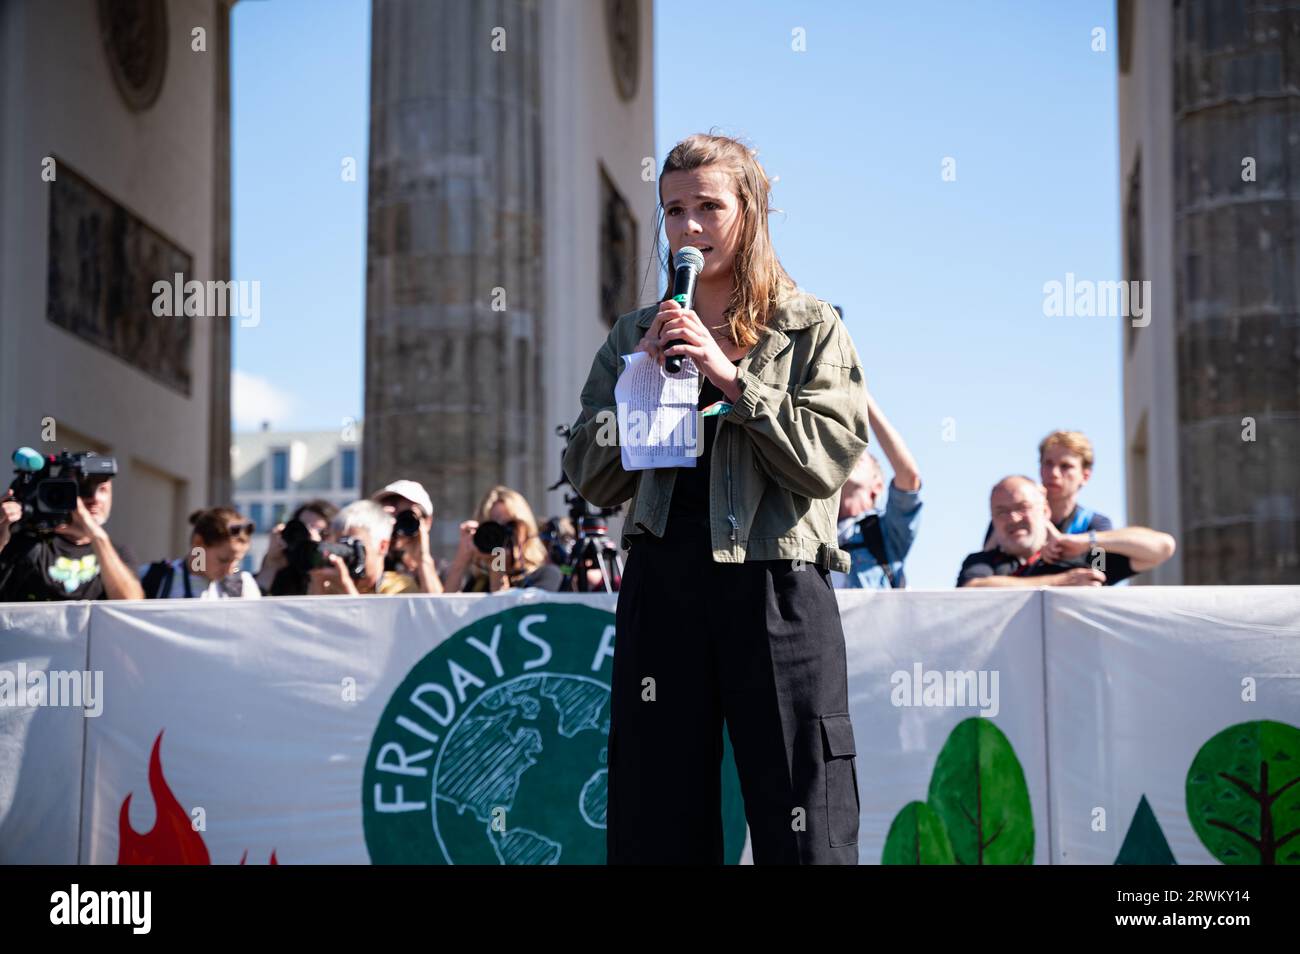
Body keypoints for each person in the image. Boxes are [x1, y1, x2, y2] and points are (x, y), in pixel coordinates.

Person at [563, 133, 871, 864]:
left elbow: (826, 460)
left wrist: (731, 378)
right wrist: (639, 378)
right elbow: (592, 473)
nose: (690, 228)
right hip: (664, 583)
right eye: (674, 210)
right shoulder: (635, 334)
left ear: (750, 212)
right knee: (655, 812)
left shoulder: (809, 326)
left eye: (709, 206)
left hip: (777, 586)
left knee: (804, 806)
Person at [958, 476, 1175, 587]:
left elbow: (1162, 548)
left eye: (1022, 508)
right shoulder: (982, 563)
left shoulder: (1089, 558)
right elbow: (973, 590)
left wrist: (1088, 540)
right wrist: (1061, 582)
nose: (1013, 518)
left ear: (1045, 511)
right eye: (1002, 512)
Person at [0, 460, 142, 601]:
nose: (95, 498)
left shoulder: (116, 553)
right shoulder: (31, 543)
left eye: (103, 489)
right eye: (84, 489)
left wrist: (96, 534)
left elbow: (131, 604)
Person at [833, 393, 922, 589]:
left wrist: (863, 398)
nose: (850, 458)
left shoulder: (886, 532)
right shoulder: (814, 529)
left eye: (859, 458)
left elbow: (909, 477)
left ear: (878, 486)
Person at [981, 430, 1112, 549]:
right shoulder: (1009, 518)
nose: (1054, 473)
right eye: (1048, 464)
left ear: (1085, 476)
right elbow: (984, 565)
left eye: (1065, 466)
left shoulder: (1095, 525)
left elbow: (1099, 570)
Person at [441, 486, 563, 593]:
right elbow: (447, 610)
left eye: (510, 525)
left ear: (526, 528)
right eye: (492, 526)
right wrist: (462, 558)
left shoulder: (547, 575)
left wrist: (497, 564)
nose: (501, 534)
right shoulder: (480, 582)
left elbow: (505, 614)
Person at [140, 507, 262, 599]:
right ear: (198, 543)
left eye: (237, 561)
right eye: (223, 560)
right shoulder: (153, 577)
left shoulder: (243, 585)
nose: (230, 570)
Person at [306, 500, 419, 596]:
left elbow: (368, 622)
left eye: (354, 545)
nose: (347, 553)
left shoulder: (401, 588)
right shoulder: (330, 585)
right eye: (340, 545)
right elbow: (314, 621)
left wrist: (345, 586)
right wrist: (317, 582)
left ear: (383, 546)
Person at [371, 480, 443, 594]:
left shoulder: (441, 571)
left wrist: (423, 557)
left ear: (427, 522)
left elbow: (436, 606)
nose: (395, 523)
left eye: (406, 517)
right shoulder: (371, 564)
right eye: (388, 514)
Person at [256, 499, 337, 597]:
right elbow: (251, 605)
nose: (307, 534)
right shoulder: (284, 569)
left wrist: (315, 555)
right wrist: (271, 565)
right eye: (302, 528)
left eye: (318, 530)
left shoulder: (338, 569)